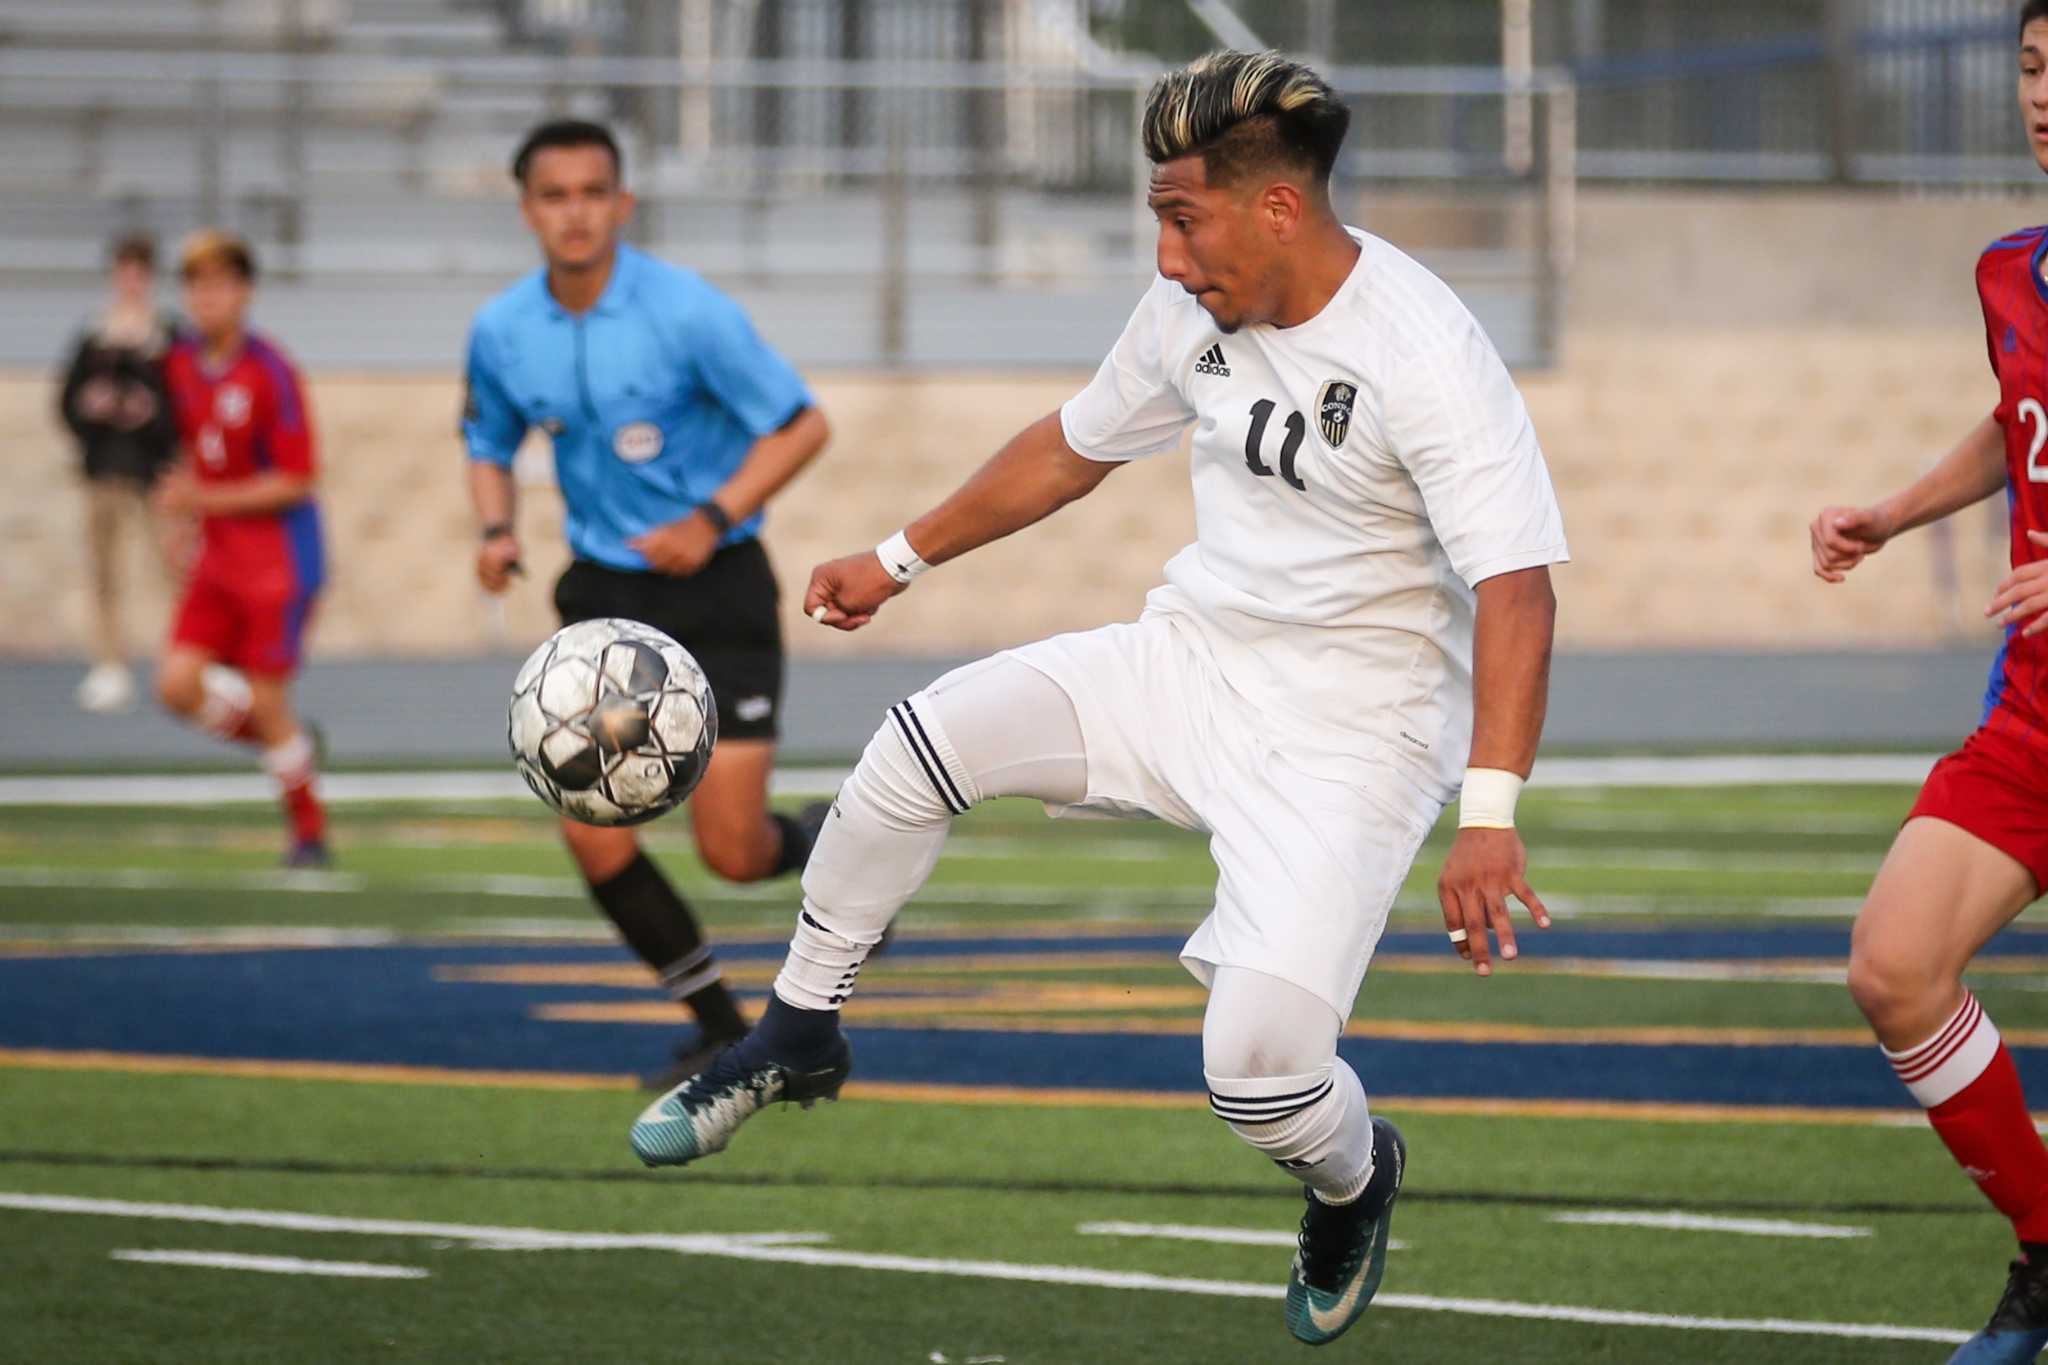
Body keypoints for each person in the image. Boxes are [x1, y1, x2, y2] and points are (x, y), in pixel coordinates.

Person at [630, 51, 1568, 1347]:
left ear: (1278, 210)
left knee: (1260, 1075)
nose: (1171, 259)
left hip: (1357, 739)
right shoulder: (1191, 309)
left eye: (1185, 220)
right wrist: (900, 558)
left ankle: (1358, 1179)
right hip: (1188, 663)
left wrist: (1489, 811)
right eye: (1160, 223)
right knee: (919, 743)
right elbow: (1071, 448)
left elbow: (1517, 588)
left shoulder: (1427, 352)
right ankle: (795, 1031)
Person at [464, 120, 833, 1091]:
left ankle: (830, 840)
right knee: (591, 833)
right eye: (555, 195)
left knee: (734, 851)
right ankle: (719, 1026)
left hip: (716, 585)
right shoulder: (502, 329)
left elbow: (801, 426)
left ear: (622, 205)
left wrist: (710, 519)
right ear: (527, 210)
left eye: (593, 193)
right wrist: (495, 531)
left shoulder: (685, 311)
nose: (575, 212)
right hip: (603, 604)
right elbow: (486, 437)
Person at [1813, 6, 2048, 1360]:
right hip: (2036, 718)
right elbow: (2022, 414)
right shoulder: (2009, 269)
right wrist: (1895, 511)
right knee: (1895, 966)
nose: (2042, 95)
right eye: (2028, 68)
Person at [153, 230, 329, 867]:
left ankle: (308, 830)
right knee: (175, 685)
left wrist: (200, 502)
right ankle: (295, 750)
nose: (208, 297)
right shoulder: (178, 366)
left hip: (277, 562)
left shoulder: (270, 372)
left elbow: (296, 476)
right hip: (218, 559)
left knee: (267, 700)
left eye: (222, 283)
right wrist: (181, 526)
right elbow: (191, 457)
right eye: (196, 284)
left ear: (245, 292)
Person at [59, 233, 178, 714]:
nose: (131, 281)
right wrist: (93, 406)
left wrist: (151, 412)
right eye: (124, 271)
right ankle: (110, 664)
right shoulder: (94, 334)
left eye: (139, 271)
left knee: (170, 569)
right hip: (104, 467)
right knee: (105, 571)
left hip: (153, 471)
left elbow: (185, 402)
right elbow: (66, 401)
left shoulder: (167, 333)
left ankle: (183, 658)